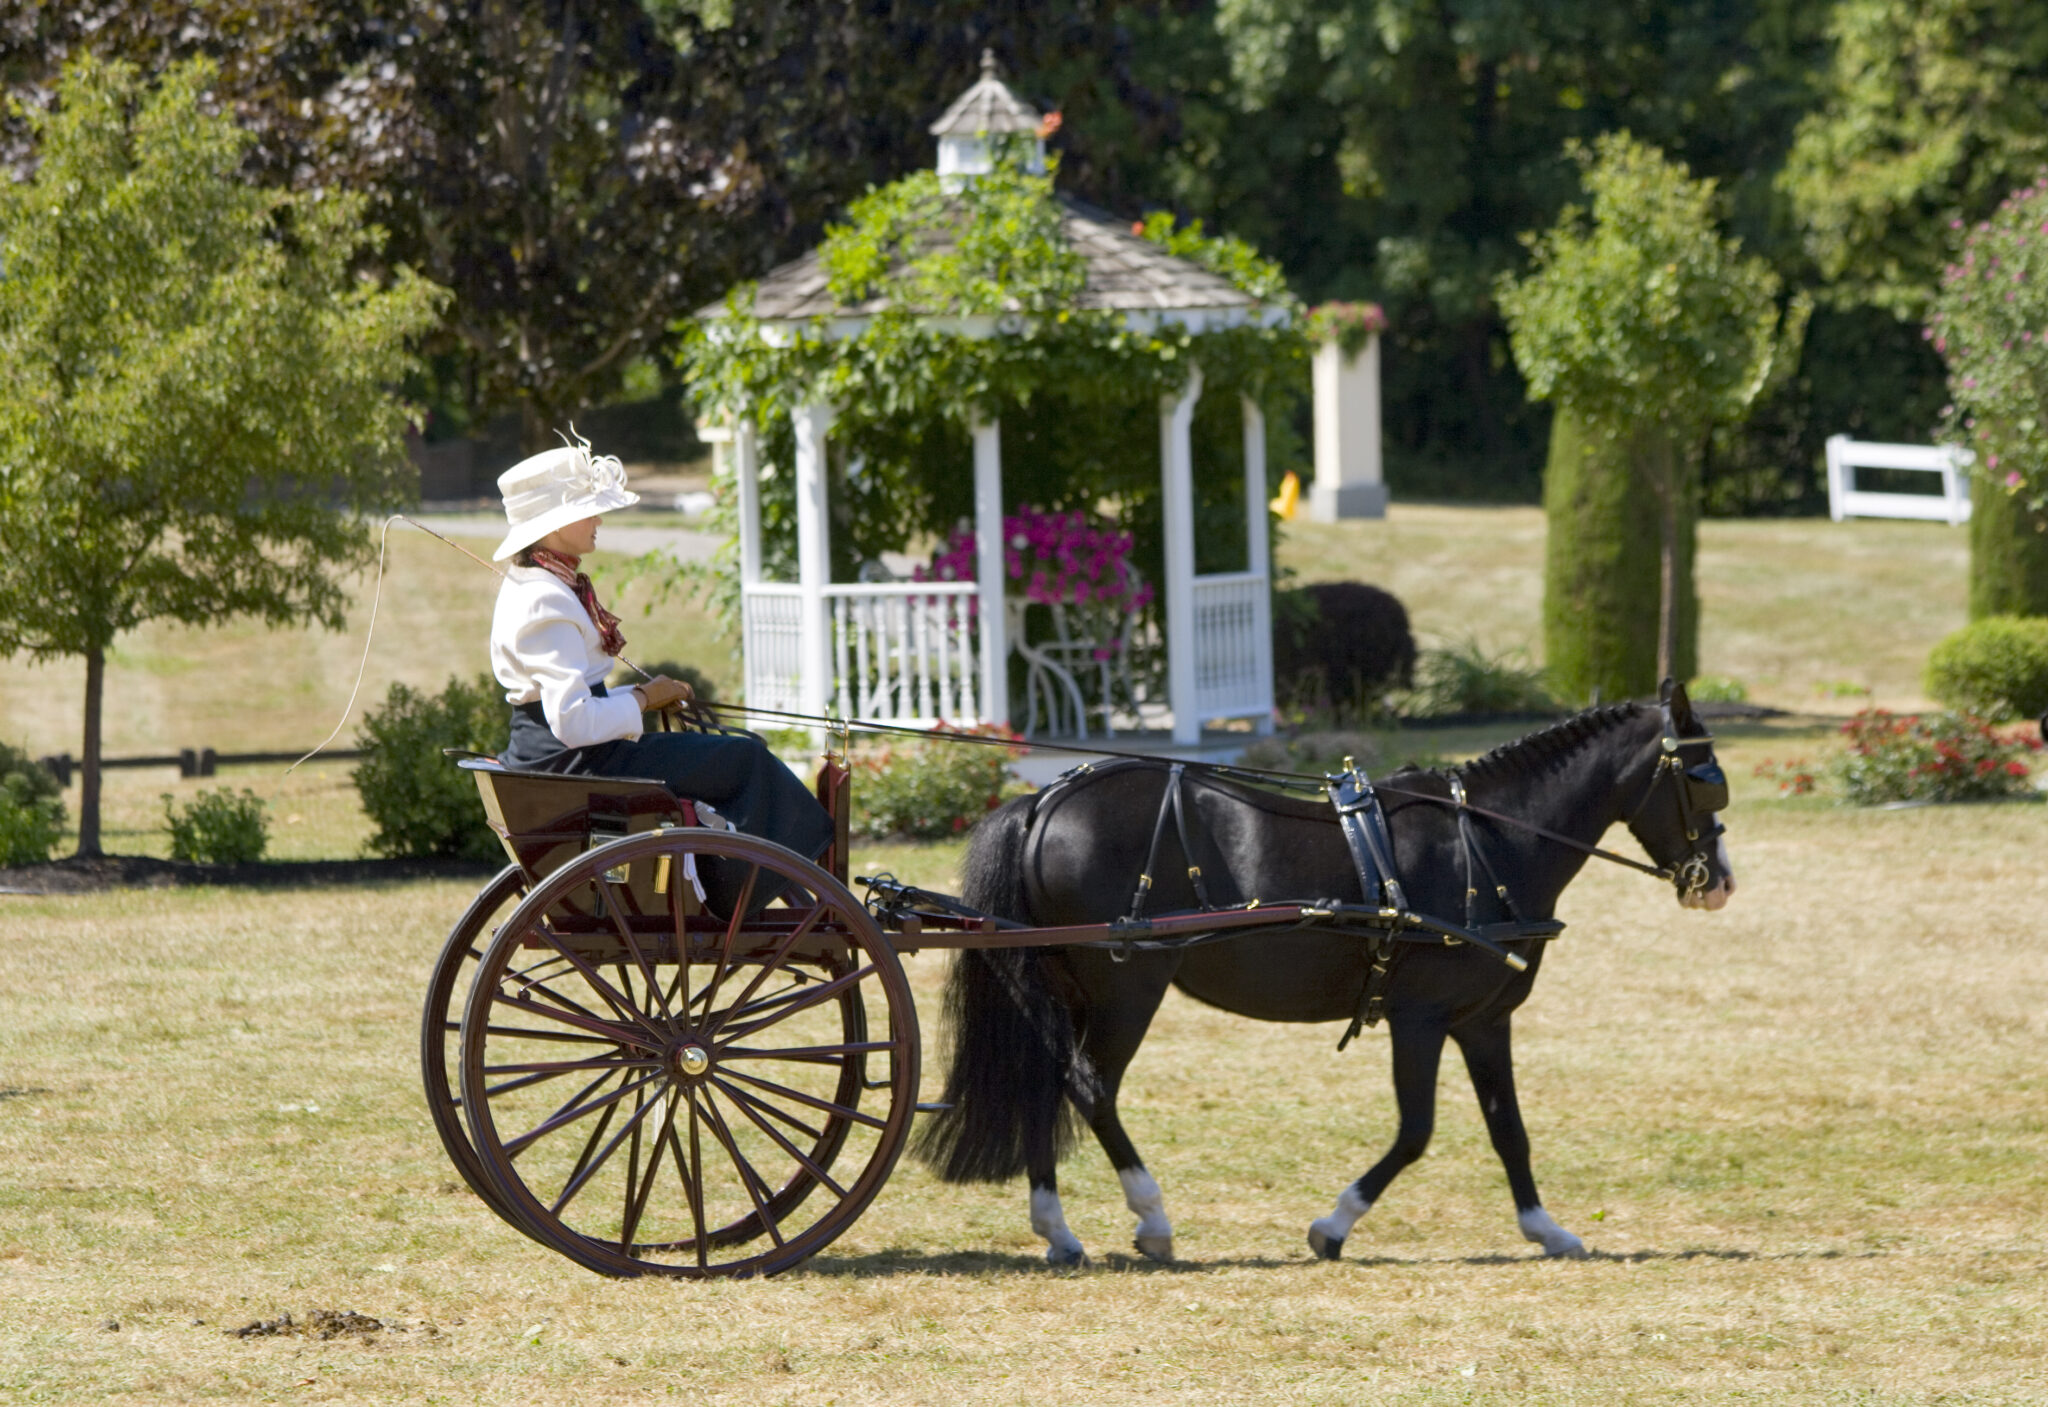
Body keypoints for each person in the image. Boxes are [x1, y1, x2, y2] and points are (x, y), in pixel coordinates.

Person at [488, 435, 833, 865]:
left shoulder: (540, 585)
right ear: (555, 523)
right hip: (581, 767)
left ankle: (750, 878)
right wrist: (642, 698)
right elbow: (574, 721)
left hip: (574, 760)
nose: (598, 519)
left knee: (736, 750)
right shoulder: (545, 598)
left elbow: (574, 704)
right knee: (744, 757)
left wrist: (646, 696)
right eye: (587, 509)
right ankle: (771, 882)